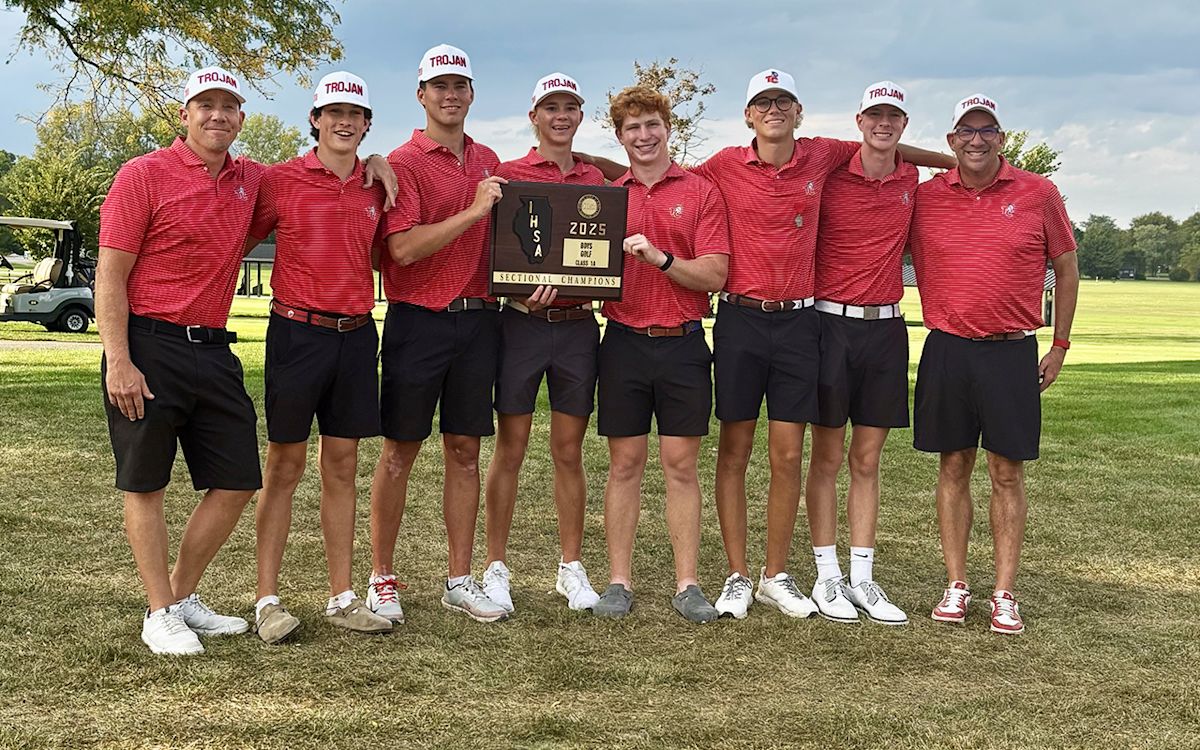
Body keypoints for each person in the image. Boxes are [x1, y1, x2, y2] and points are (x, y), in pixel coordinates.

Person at [97, 66, 263, 656]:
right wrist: (119, 358)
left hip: (214, 347)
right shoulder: (143, 175)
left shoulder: (250, 179)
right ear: (184, 114)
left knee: (239, 478)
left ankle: (182, 596)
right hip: (148, 345)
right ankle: (158, 611)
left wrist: (376, 162)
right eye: (206, 105)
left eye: (229, 106)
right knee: (146, 483)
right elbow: (111, 275)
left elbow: (314, 173)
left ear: (241, 117)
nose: (217, 115)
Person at [909, 94, 1079, 635]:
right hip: (948, 346)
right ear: (951, 141)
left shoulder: (1038, 192)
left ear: (1002, 139)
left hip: (1012, 350)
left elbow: (1066, 269)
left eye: (988, 131)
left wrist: (1060, 345)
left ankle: (1004, 591)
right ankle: (956, 583)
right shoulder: (927, 197)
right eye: (966, 131)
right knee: (953, 465)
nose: (977, 139)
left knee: (1006, 471)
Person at [247, 71, 393, 644]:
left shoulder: (378, 184)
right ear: (313, 119)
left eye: (354, 115)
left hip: (357, 336)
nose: (342, 122)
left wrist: (380, 162)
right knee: (283, 467)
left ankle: (341, 597)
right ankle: (267, 601)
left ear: (365, 124)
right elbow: (238, 237)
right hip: (295, 333)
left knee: (343, 468)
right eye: (332, 112)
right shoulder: (279, 180)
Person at [368, 44, 509, 623]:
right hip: (418, 319)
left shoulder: (489, 157)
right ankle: (381, 576)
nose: (451, 95)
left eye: (461, 85)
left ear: (472, 94)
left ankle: (458, 576)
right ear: (421, 95)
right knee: (400, 451)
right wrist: (474, 212)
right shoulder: (402, 161)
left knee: (466, 450)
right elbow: (400, 250)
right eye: (440, 86)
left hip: (479, 320)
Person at [590, 86, 730, 624]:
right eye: (632, 128)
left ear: (667, 128)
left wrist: (661, 258)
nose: (643, 136)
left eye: (652, 125)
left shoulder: (699, 191)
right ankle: (619, 582)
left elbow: (715, 273)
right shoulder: (608, 196)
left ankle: (687, 584)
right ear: (620, 136)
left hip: (684, 344)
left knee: (680, 465)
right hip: (622, 342)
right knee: (624, 464)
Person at [479, 72, 604, 614]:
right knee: (511, 447)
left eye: (569, 107)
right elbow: (490, 255)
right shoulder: (507, 175)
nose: (560, 115)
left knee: (568, 450)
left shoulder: (597, 177)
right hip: (522, 326)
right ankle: (496, 567)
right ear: (533, 116)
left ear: (579, 117)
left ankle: (570, 568)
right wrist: (518, 290)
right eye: (550, 107)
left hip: (577, 328)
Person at [802, 81, 917, 625]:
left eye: (892, 116)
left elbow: (912, 159)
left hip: (886, 330)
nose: (883, 123)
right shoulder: (831, 169)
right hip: (828, 324)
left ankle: (864, 579)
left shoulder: (911, 178)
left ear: (903, 124)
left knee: (867, 459)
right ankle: (828, 577)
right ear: (859, 119)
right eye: (875, 115)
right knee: (826, 457)